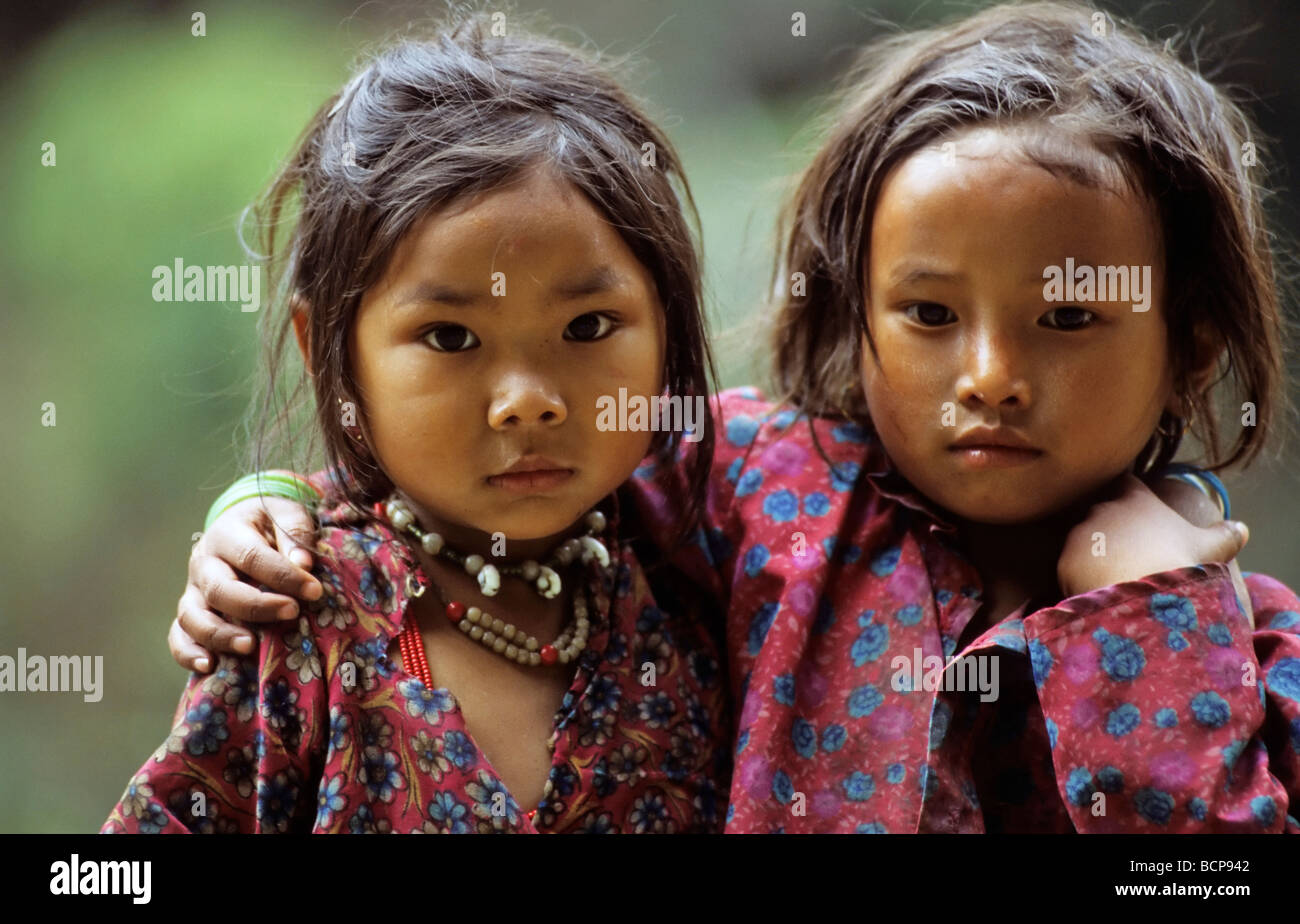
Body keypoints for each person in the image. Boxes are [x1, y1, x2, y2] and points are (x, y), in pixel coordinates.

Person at [169, 2, 1300, 832]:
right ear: (852, 311)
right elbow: (486, 456)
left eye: (1066, 316)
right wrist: (265, 504)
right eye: (927, 310)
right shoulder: (758, 489)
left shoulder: (1251, 648)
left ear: (1188, 345)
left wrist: (1141, 620)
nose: (992, 372)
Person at [103, 13, 731, 834]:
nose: (527, 401)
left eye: (587, 327)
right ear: (330, 350)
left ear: (668, 321)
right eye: (449, 338)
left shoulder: (701, 577)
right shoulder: (297, 621)